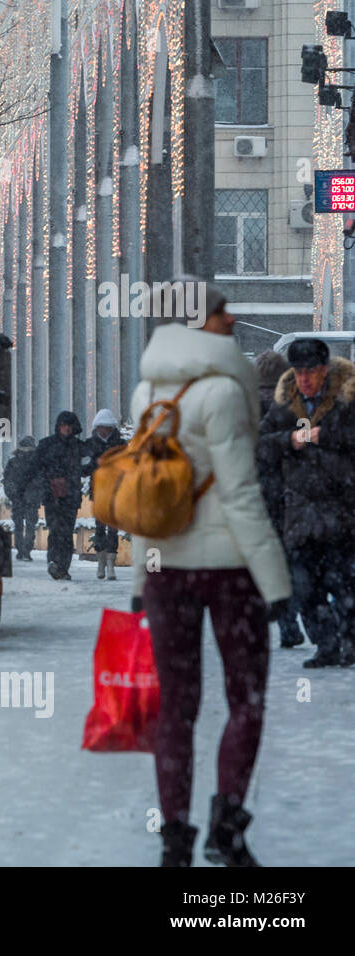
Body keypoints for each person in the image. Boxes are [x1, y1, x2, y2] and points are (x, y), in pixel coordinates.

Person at [130, 287, 291, 867]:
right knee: (245, 700)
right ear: (205, 325)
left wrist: (138, 578)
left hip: (167, 572)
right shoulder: (225, 390)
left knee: (176, 707)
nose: (236, 318)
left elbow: (144, 491)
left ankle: (175, 839)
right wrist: (275, 583)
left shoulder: (148, 389)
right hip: (229, 572)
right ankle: (227, 825)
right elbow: (242, 494)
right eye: (226, 313)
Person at [257, 338, 355, 669]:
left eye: (311, 371)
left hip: (342, 511)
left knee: (343, 583)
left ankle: (350, 642)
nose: (305, 379)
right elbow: (259, 446)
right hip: (299, 514)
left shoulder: (345, 402)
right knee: (304, 587)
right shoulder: (285, 407)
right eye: (299, 372)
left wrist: (323, 437)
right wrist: (290, 440)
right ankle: (326, 644)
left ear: (324, 370)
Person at [254, 349, 306, 650]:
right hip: (291, 493)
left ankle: (264, 624)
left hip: (252, 494)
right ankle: (290, 621)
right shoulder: (293, 406)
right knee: (292, 561)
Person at [33, 411, 86, 580]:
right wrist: (47, 483)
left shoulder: (78, 447)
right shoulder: (46, 445)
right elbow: (36, 469)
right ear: (58, 426)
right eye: (64, 425)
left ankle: (63, 566)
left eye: (70, 426)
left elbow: (84, 468)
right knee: (56, 531)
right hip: (52, 495)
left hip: (71, 496)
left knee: (67, 533)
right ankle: (54, 563)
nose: (67, 429)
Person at [83, 409, 125, 580]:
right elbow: (85, 467)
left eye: (106, 427)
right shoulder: (90, 444)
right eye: (101, 427)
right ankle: (101, 562)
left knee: (113, 528)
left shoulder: (120, 444)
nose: (103, 431)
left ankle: (111, 564)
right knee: (100, 526)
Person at [2, 435, 40, 561]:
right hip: (31, 498)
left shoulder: (13, 461)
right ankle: (27, 550)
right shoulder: (36, 461)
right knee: (30, 525)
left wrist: (12, 494)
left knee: (18, 525)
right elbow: (41, 480)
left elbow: (7, 480)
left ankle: (20, 549)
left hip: (18, 498)